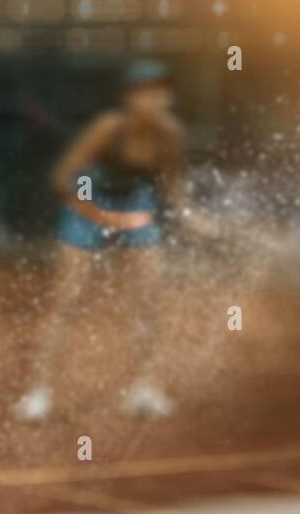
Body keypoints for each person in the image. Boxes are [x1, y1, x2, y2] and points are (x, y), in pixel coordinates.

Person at [13, 59, 191, 422]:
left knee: (149, 298)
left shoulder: (171, 134)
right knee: (69, 299)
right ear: (129, 99)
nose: (155, 100)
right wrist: (98, 215)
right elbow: (62, 177)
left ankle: (143, 388)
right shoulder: (108, 127)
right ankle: (38, 392)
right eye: (145, 92)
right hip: (88, 202)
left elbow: (172, 189)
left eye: (161, 92)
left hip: (137, 205)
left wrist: (194, 218)